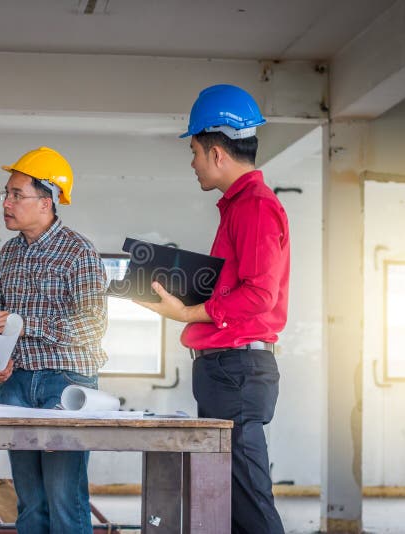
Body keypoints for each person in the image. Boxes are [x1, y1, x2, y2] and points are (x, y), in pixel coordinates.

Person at [137, 84, 289, 534]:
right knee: (233, 504)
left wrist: (187, 314)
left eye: (194, 151)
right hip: (229, 370)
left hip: (236, 370)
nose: (192, 162)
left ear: (217, 152)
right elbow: (242, 287)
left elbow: (261, 294)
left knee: (249, 504)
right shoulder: (240, 208)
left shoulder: (256, 208)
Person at [0, 146, 107, 534]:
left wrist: (24, 323)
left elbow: (92, 328)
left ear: (47, 201)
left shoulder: (79, 252)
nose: (7, 202)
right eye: (6, 193)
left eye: (17, 195)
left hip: (65, 385)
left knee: (64, 499)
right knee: (30, 503)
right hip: (17, 385)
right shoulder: (10, 252)